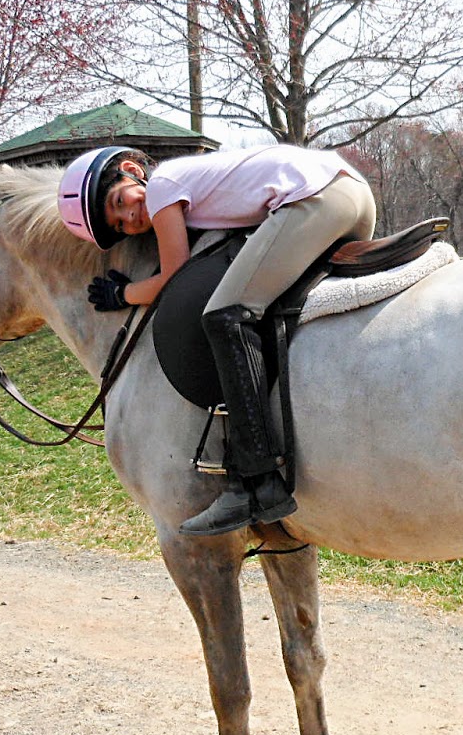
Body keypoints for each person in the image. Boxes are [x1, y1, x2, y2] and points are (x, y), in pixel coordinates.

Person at [57, 143, 376, 537]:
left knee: (226, 314)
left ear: (130, 170)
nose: (129, 216)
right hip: (353, 194)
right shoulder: (190, 180)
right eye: (120, 224)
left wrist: (123, 295)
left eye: (120, 200)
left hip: (316, 199)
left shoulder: (160, 188)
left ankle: (258, 481)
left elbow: (174, 280)